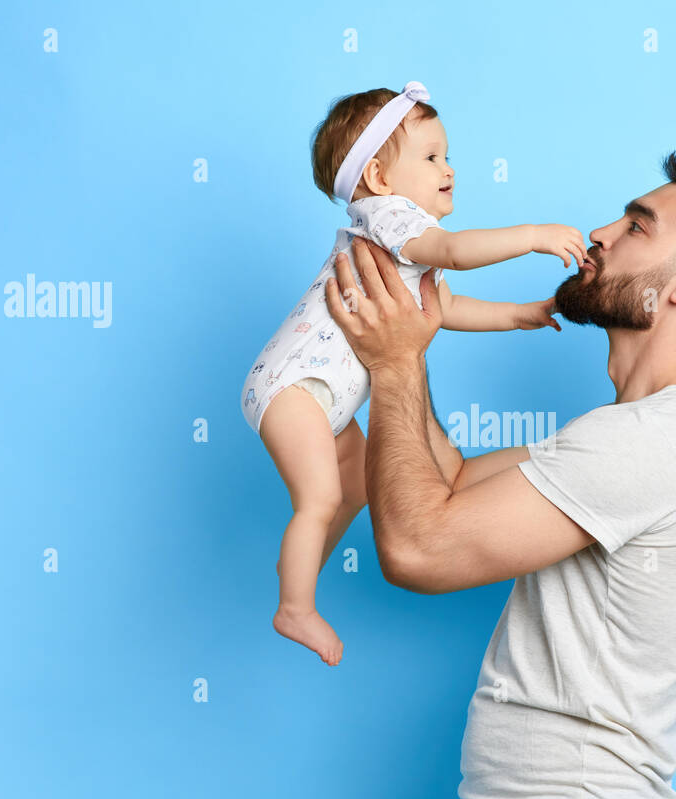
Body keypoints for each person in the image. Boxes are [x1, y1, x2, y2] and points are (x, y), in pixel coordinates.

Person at [323, 152, 676, 799]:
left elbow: (419, 550)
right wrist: (404, 348)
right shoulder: (632, 433)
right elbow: (445, 480)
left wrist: (393, 367)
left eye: (637, 226)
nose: (600, 233)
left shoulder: (651, 443)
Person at [240, 80, 581, 666]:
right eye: (430, 157)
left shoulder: (400, 243)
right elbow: (450, 253)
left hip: (324, 397)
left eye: (447, 155)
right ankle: (293, 606)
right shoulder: (390, 216)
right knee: (320, 497)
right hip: (294, 386)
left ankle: (297, 568)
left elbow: (441, 309)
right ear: (377, 177)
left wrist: (517, 316)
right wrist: (532, 238)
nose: (448, 168)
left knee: (355, 490)